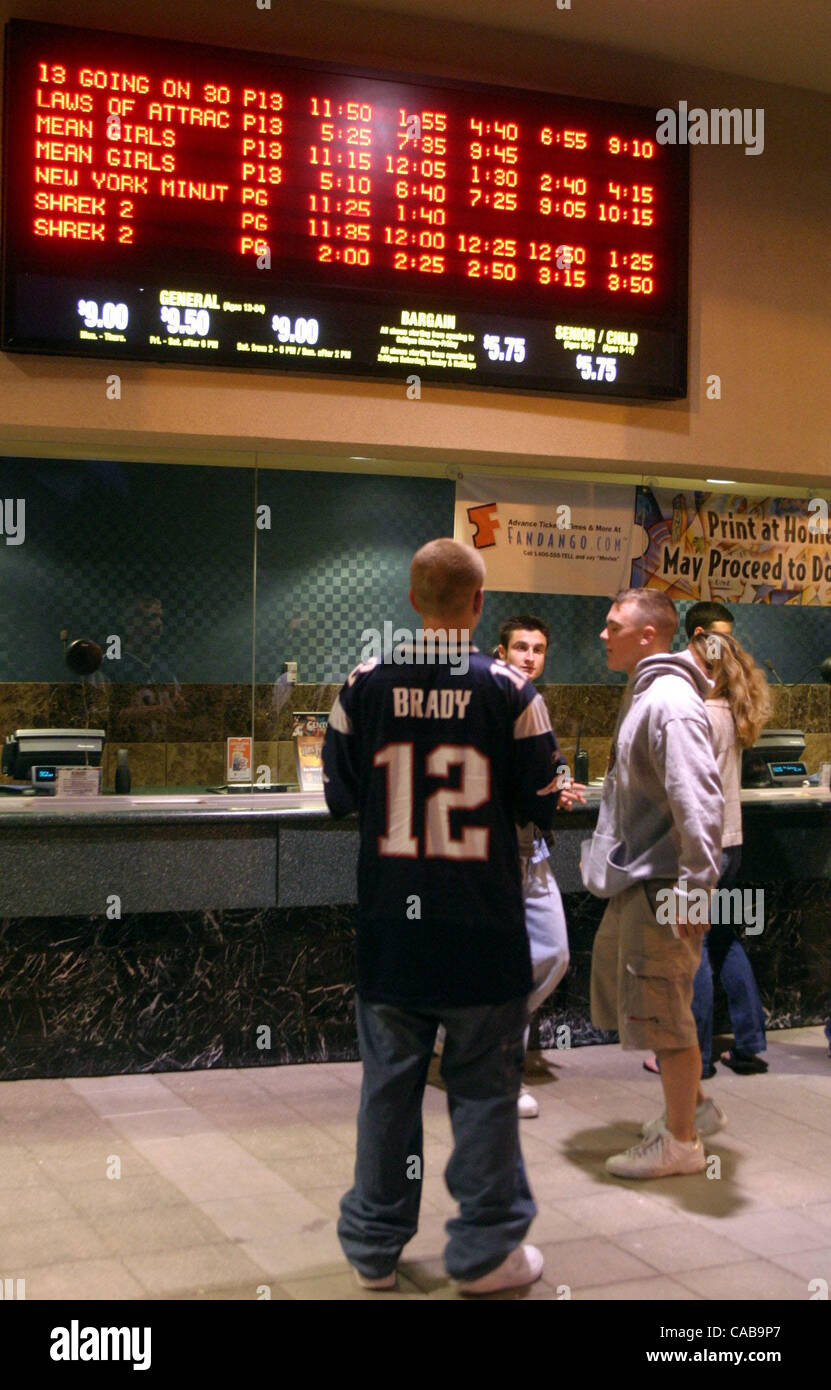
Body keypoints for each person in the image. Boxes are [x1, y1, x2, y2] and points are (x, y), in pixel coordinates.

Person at [322, 539, 564, 1293]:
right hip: (481, 931)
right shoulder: (511, 691)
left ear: (410, 598)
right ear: (479, 604)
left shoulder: (362, 684)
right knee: (483, 1095)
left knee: (386, 1093)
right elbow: (541, 801)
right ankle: (484, 1254)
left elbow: (344, 796)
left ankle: (372, 1250)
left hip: (391, 932)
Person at [582, 588, 724, 1179]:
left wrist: (695, 888)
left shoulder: (669, 702)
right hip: (642, 879)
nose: (602, 634)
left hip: (666, 886)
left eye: (613, 625)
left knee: (666, 1013)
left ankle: (684, 1143)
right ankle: (689, 1108)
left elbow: (701, 804)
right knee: (641, 998)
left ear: (648, 634)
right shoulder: (653, 693)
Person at [496, 615, 584, 1117]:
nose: (530, 657)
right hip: (501, 850)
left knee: (553, 952)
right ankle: (497, 1068)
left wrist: (558, 786)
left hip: (536, 849)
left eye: (539, 649)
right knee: (507, 963)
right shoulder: (496, 700)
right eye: (521, 647)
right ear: (502, 651)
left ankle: (469, 1030)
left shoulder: (533, 704)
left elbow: (542, 770)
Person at [687, 623, 771, 1078]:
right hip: (731, 843)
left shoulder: (700, 714)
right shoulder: (732, 711)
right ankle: (750, 1042)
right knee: (722, 937)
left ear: (709, 669)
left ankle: (694, 1056)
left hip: (704, 844)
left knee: (691, 944)